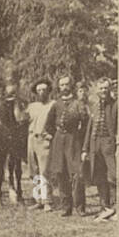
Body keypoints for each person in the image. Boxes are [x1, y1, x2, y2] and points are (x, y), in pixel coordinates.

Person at [45, 75, 89, 217]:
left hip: (74, 141)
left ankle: (80, 206)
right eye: (62, 85)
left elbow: (86, 124)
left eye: (66, 84)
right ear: (59, 87)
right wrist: (56, 136)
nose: (64, 87)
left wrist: (78, 137)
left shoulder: (78, 103)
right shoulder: (56, 104)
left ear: (71, 85)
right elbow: (48, 124)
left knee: (77, 174)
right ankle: (66, 207)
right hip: (59, 142)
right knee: (60, 173)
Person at [0, 83, 25, 209]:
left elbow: (20, 119)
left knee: (16, 163)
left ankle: (16, 190)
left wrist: (17, 104)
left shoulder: (19, 103)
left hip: (14, 136)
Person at [84, 78, 119, 220]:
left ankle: (117, 207)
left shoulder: (116, 105)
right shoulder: (94, 105)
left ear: (110, 89)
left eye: (106, 88)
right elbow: (89, 127)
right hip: (95, 143)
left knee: (114, 176)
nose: (104, 91)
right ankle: (104, 206)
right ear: (97, 90)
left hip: (109, 143)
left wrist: (118, 146)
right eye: (101, 88)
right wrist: (85, 148)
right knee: (99, 176)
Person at [26, 78, 56, 210]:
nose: (41, 92)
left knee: (44, 171)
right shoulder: (32, 106)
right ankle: (38, 199)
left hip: (44, 140)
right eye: (39, 90)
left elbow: (57, 122)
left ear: (49, 91)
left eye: (44, 90)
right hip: (32, 138)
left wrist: (51, 135)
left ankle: (47, 200)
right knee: (34, 170)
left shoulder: (53, 104)